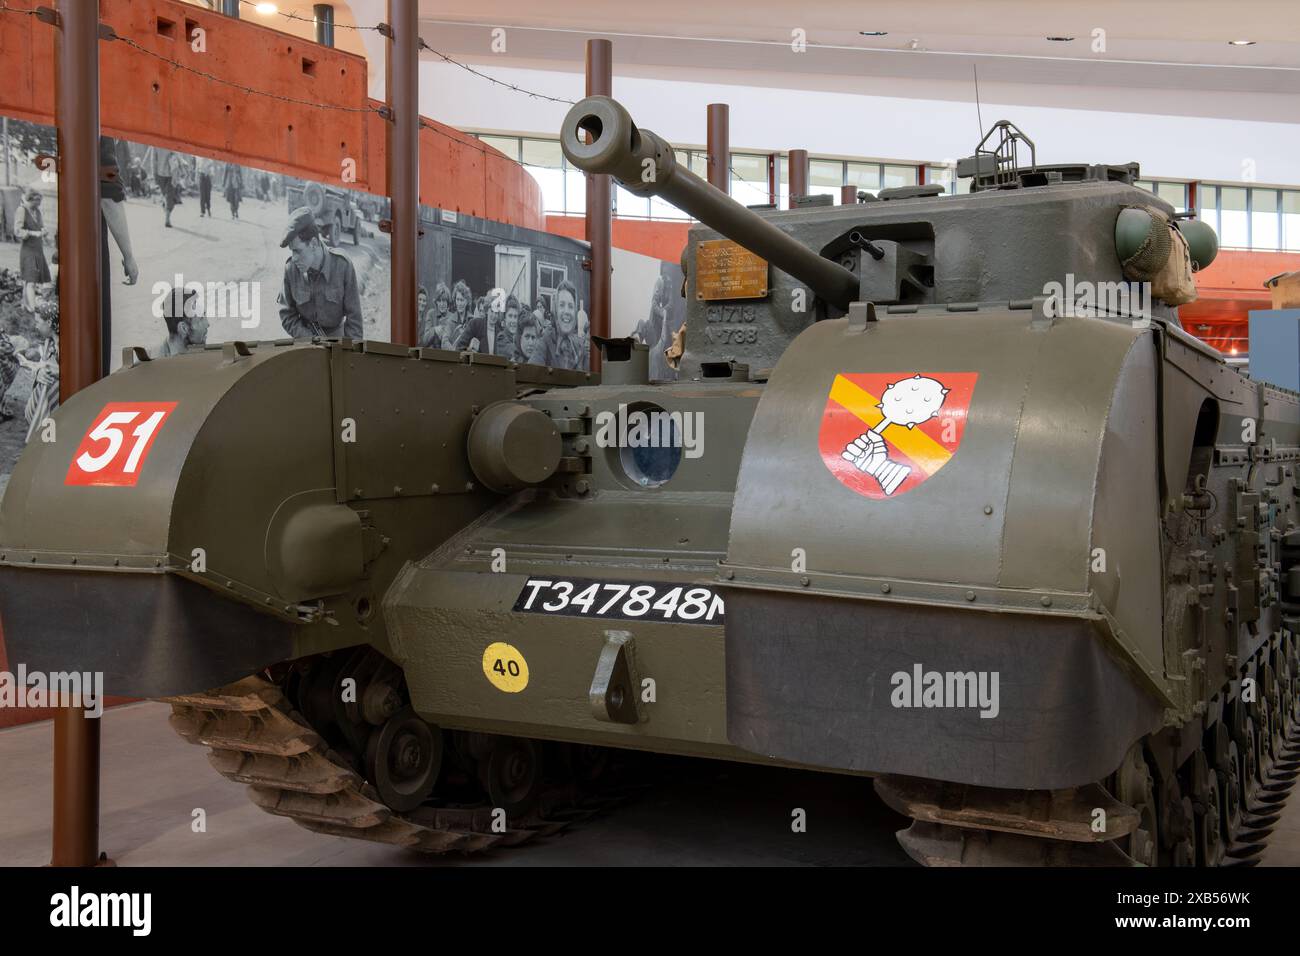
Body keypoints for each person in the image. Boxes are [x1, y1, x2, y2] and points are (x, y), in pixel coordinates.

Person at [277, 206, 363, 339]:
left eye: (297, 251)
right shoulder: (291, 269)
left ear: (313, 243)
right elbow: (287, 314)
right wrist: (308, 338)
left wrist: (348, 354)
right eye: (291, 251)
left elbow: (354, 319)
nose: (294, 258)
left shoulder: (342, 265)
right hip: (304, 339)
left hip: (336, 338)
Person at [528, 280, 588, 370]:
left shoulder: (580, 348)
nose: (566, 311)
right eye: (562, 305)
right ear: (556, 310)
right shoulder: (545, 341)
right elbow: (530, 374)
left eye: (571, 306)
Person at [15, 187, 51, 316]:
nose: (39, 203)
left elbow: (41, 226)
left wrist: (44, 232)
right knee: (30, 279)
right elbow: (18, 231)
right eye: (37, 201)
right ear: (31, 199)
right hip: (28, 250)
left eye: (40, 201)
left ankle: (25, 305)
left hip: (38, 250)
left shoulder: (37, 211)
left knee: (31, 279)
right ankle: (32, 309)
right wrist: (33, 233)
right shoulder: (22, 210)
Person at [156, 287, 210, 357]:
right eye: (201, 318)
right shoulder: (148, 363)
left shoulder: (150, 360)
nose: (208, 324)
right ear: (184, 328)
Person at [453, 288, 507, 354]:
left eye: (496, 313)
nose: (494, 315)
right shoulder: (475, 324)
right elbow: (459, 347)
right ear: (487, 310)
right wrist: (470, 352)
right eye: (492, 311)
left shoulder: (500, 333)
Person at [418, 282, 450, 348]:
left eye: (444, 301)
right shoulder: (431, 314)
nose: (442, 304)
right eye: (439, 301)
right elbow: (424, 341)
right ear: (436, 302)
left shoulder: (451, 317)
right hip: (431, 354)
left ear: (448, 302)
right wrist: (434, 330)